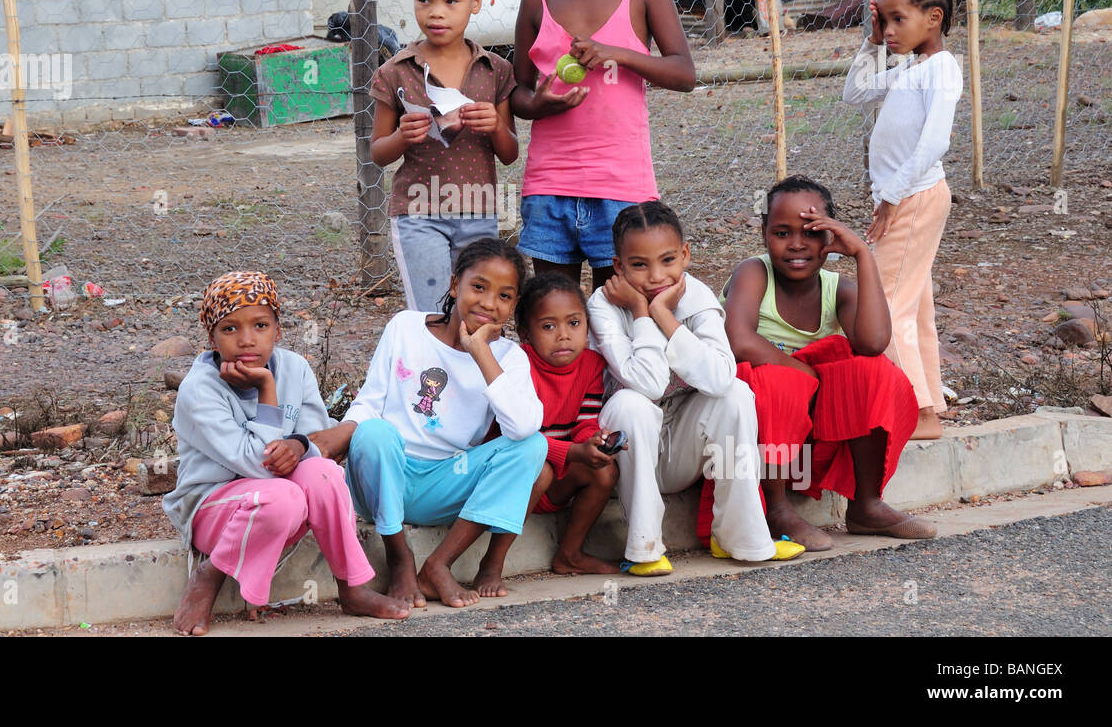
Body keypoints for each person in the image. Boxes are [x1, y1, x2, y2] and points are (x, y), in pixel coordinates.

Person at [163, 271, 409, 635]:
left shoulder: (295, 367)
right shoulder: (200, 389)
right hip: (212, 509)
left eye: (260, 325)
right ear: (211, 339)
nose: (247, 340)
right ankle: (210, 574)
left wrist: (300, 445)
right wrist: (266, 387)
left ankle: (352, 587)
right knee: (282, 495)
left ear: (277, 331)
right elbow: (257, 465)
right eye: (230, 329)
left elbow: (313, 441)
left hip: (279, 503)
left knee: (324, 473)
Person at [318, 239, 547, 608]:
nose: (489, 303)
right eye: (478, 287)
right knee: (375, 432)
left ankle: (438, 564)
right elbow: (369, 402)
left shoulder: (509, 358)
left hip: (447, 483)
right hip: (383, 479)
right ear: (455, 284)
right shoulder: (405, 327)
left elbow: (522, 428)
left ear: (514, 305)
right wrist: (338, 437)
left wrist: (481, 353)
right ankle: (399, 557)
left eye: (505, 296)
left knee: (533, 446)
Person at [587, 201, 804, 575]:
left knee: (735, 394)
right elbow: (650, 384)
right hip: (631, 451)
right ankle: (645, 547)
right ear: (618, 267)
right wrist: (641, 313)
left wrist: (664, 317)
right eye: (639, 265)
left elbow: (720, 376)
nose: (656, 276)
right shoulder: (603, 305)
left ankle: (741, 538)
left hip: (683, 449)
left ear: (685, 255)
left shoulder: (696, 296)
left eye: (667, 260)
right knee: (631, 403)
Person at [511, 0, 696, 291]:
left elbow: (684, 73)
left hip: (622, 186)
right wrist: (538, 104)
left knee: (619, 316)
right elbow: (516, 93)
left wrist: (619, 53)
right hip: (549, 185)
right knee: (552, 313)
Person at [723, 177, 937, 548]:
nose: (796, 245)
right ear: (764, 234)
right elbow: (738, 341)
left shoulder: (837, 288)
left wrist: (862, 255)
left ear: (830, 238)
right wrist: (801, 373)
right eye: (782, 232)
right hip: (759, 431)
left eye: (810, 232)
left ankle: (866, 505)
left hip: (813, 435)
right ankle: (776, 507)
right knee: (774, 379)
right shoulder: (754, 273)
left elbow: (872, 343)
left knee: (873, 372)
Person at [843, 0, 962, 440]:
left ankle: (917, 411)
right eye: (883, 21)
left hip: (912, 199)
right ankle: (929, 401)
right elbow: (854, 93)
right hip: (907, 198)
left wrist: (891, 198)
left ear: (933, 18)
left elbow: (934, 143)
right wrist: (871, 43)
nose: (890, 31)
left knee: (885, 305)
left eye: (898, 20)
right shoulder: (910, 68)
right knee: (915, 307)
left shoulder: (942, 68)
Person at [370, 0, 519, 312]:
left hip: (479, 212)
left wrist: (496, 126)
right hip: (417, 213)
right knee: (432, 312)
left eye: (450, 1)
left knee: (475, 312)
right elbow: (377, 153)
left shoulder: (495, 70)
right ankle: (431, 372)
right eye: (424, 0)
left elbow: (509, 153)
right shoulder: (396, 71)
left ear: (475, 0)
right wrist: (402, 136)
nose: (436, 13)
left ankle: (470, 369)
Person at [476, 272, 622, 590]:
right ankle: (492, 563)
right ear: (526, 333)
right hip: (512, 478)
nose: (564, 336)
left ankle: (569, 554)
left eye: (574, 323)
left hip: (558, 475)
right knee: (537, 467)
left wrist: (595, 442)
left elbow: (584, 422)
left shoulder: (592, 364)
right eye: (548, 326)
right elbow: (514, 436)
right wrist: (573, 451)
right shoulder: (519, 364)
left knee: (604, 471)